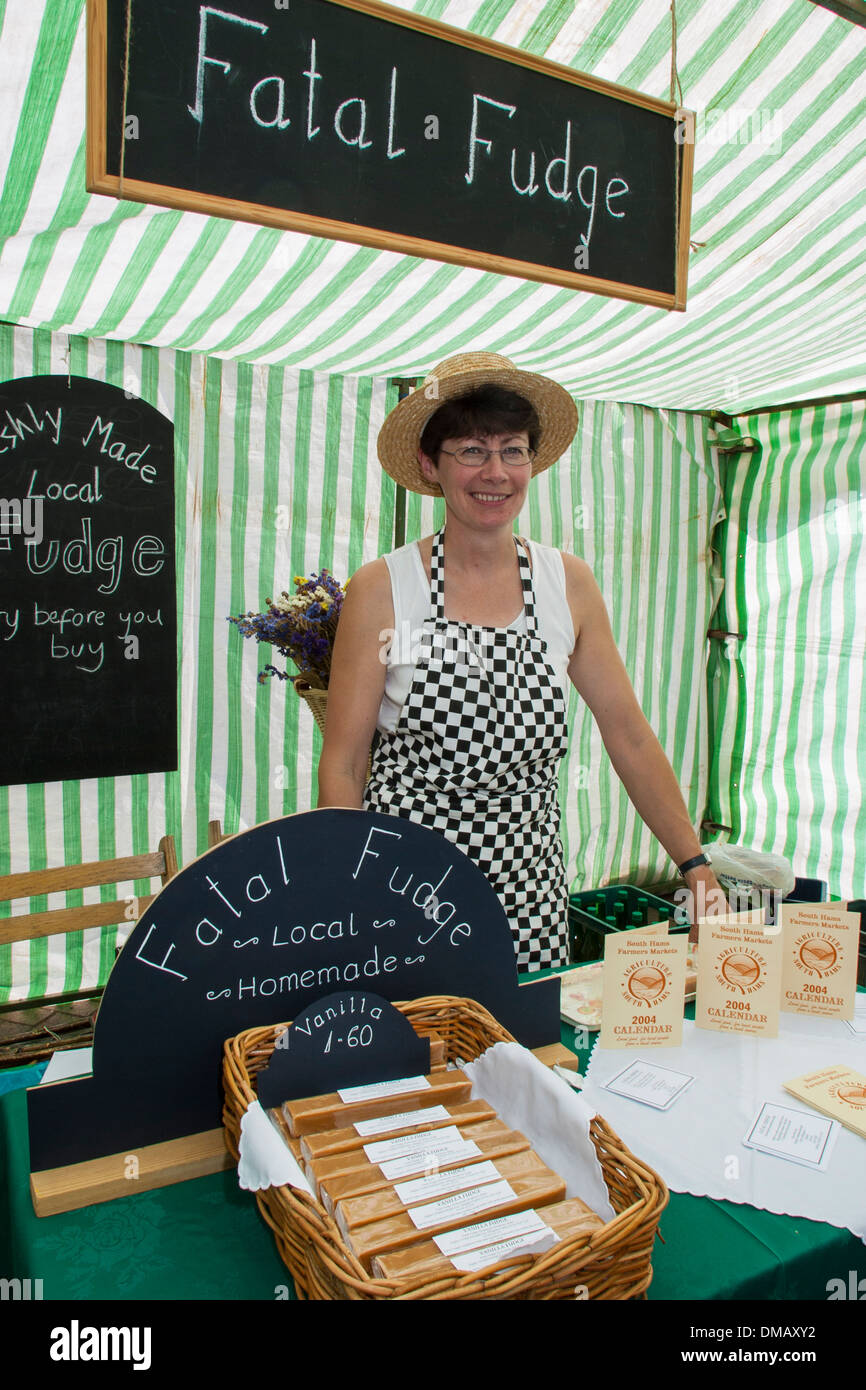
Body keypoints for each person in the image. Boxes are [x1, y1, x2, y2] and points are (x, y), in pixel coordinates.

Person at [317, 352, 724, 965]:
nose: (496, 472)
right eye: (472, 450)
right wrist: (342, 889)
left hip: (527, 890)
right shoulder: (383, 587)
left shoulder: (568, 583)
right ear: (432, 464)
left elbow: (629, 735)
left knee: (526, 1054)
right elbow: (347, 759)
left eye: (513, 450)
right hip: (401, 886)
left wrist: (693, 863)